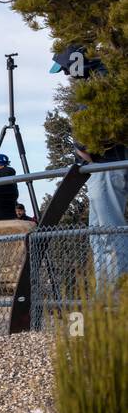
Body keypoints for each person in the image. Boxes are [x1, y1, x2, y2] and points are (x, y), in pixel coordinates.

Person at [52, 44, 128, 286]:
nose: (66, 74)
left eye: (66, 68)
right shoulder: (102, 79)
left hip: (106, 167)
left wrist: (80, 149)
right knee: (99, 235)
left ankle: (116, 293)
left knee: (109, 233)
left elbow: (90, 145)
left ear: (77, 62)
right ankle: (106, 292)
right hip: (104, 169)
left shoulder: (101, 85)